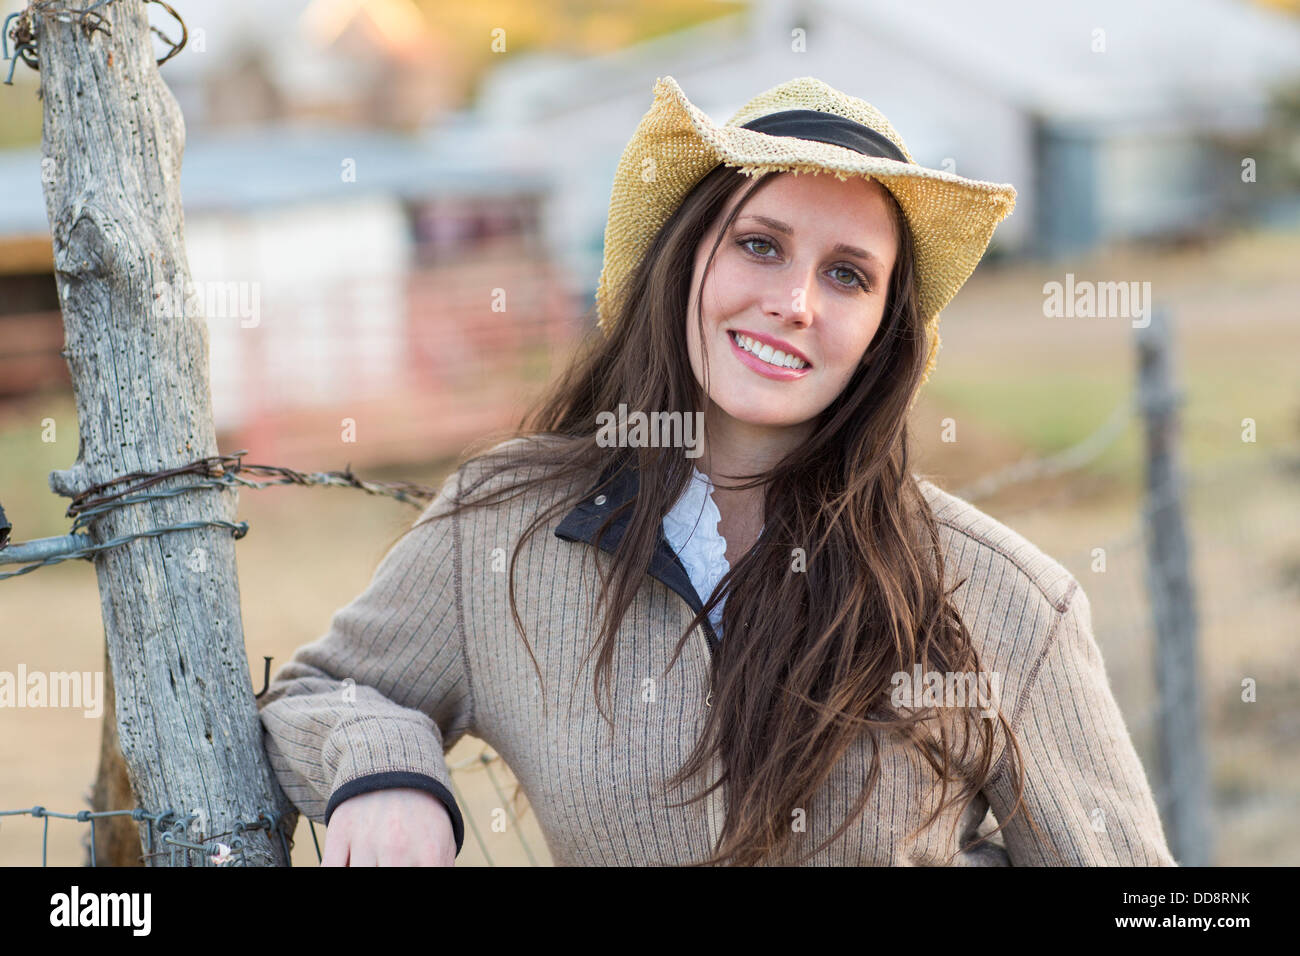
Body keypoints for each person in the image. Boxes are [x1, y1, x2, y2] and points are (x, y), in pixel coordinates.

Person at [257, 75, 1176, 867]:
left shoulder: (1006, 600)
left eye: (849, 275)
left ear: (883, 333)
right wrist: (384, 765)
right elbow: (320, 691)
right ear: (687, 253)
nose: (793, 304)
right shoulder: (507, 526)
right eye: (761, 244)